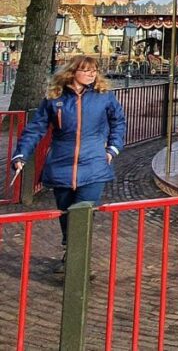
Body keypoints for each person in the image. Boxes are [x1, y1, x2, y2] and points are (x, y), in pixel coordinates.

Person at [11, 55, 125, 273]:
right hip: (62, 164)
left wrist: (113, 148)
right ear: (73, 72)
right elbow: (36, 128)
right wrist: (21, 155)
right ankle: (69, 251)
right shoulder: (55, 99)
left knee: (83, 213)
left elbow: (118, 121)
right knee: (66, 213)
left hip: (93, 165)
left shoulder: (104, 97)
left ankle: (79, 265)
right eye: (86, 70)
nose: (92, 74)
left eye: (94, 70)